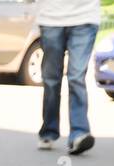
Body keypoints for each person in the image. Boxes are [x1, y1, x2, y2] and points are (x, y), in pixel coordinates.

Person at [36, 0, 100, 155]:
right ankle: (48, 131)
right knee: (51, 80)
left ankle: (79, 133)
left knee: (76, 77)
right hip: (51, 17)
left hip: (85, 16)